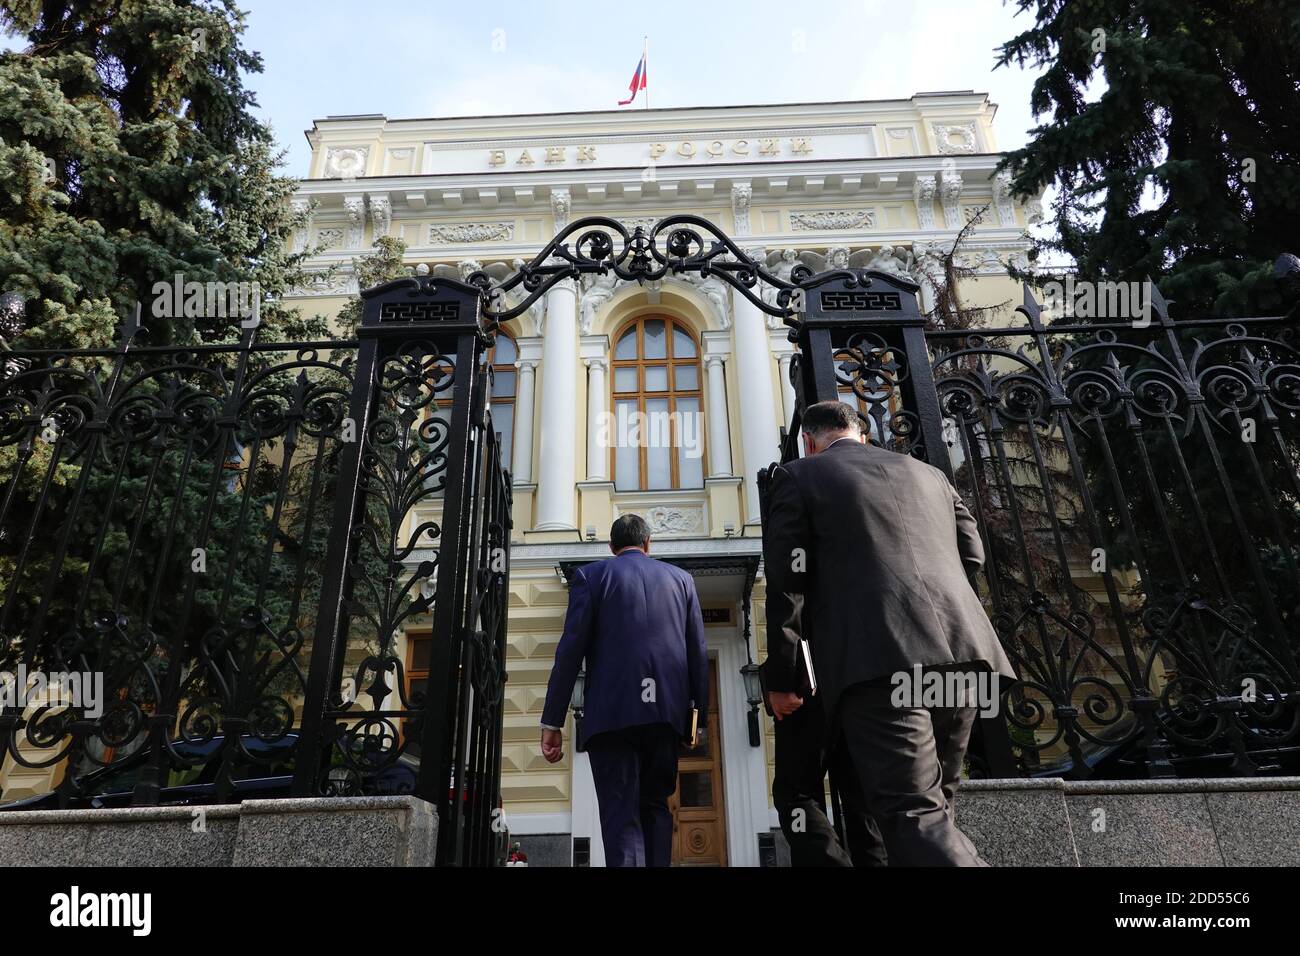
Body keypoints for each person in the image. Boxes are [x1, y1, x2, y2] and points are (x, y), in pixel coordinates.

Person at [763, 400, 1015, 866]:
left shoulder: (799, 476)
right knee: (937, 810)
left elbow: (786, 583)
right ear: (861, 433)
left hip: (881, 661)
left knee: (913, 814)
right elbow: (972, 553)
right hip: (964, 656)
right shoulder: (927, 474)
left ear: (808, 441)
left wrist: (781, 677)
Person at [539, 514, 708, 867]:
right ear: (648, 544)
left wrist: (552, 721)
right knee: (656, 808)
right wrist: (698, 721)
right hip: (665, 719)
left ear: (611, 548)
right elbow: (697, 655)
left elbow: (569, 652)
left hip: (611, 719)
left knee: (621, 817)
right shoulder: (682, 581)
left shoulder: (590, 577)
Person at [763, 587, 887, 867]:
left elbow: (788, 592)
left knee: (795, 793)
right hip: (866, 671)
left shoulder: (801, 544)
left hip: (811, 678)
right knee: (862, 798)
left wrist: (781, 680)